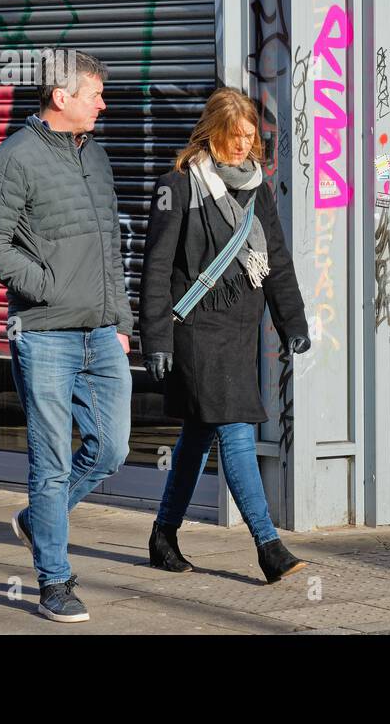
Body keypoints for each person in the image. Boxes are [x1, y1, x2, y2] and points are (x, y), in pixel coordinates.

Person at [0, 49, 132, 623]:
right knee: (51, 461)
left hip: (101, 332)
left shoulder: (97, 157)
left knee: (113, 448)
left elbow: (111, 245)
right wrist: (50, 286)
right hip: (44, 334)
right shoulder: (15, 157)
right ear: (61, 98)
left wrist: (122, 321)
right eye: (94, 94)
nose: (103, 104)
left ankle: (40, 519)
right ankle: (55, 582)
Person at [140, 86, 311, 583]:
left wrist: (292, 323)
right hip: (195, 329)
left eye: (249, 136)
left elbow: (275, 260)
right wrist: (156, 339)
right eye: (233, 136)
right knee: (236, 428)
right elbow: (155, 269)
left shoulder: (256, 185)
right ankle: (269, 547)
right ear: (212, 135)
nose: (242, 146)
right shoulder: (178, 184)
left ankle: (163, 535)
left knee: (197, 435)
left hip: (239, 331)